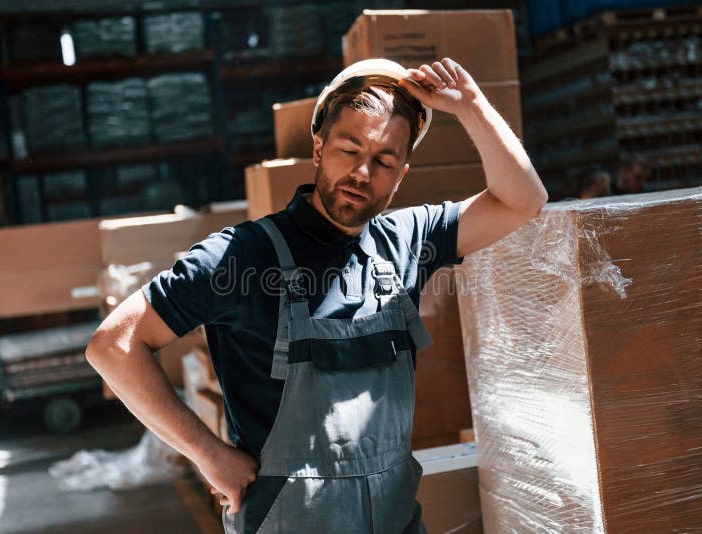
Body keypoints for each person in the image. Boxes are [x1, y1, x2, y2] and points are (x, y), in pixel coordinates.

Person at [86, 57, 547, 533]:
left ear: (402, 175)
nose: (363, 173)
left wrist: (471, 107)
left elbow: (523, 200)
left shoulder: (408, 242)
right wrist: (207, 452)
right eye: (349, 150)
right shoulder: (242, 258)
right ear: (319, 146)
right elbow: (114, 346)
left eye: (384, 161)